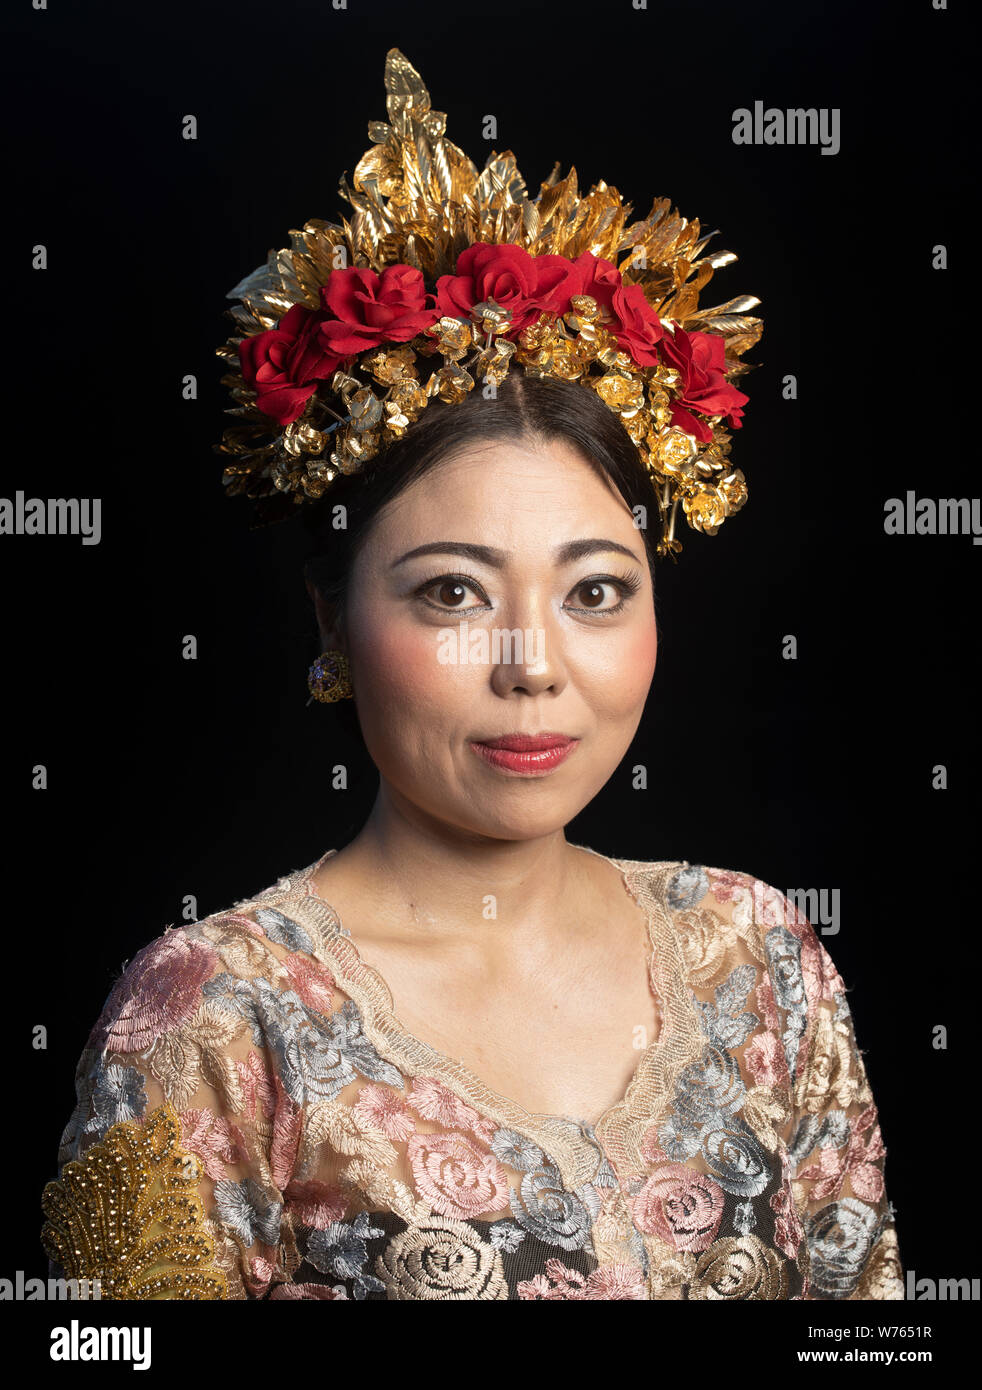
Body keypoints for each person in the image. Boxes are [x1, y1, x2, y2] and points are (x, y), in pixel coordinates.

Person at [40, 48, 902, 1301]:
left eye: (595, 591)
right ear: (331, 619)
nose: (534, 665)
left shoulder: (758, 954)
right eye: (452, 591)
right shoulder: (214, 1017)